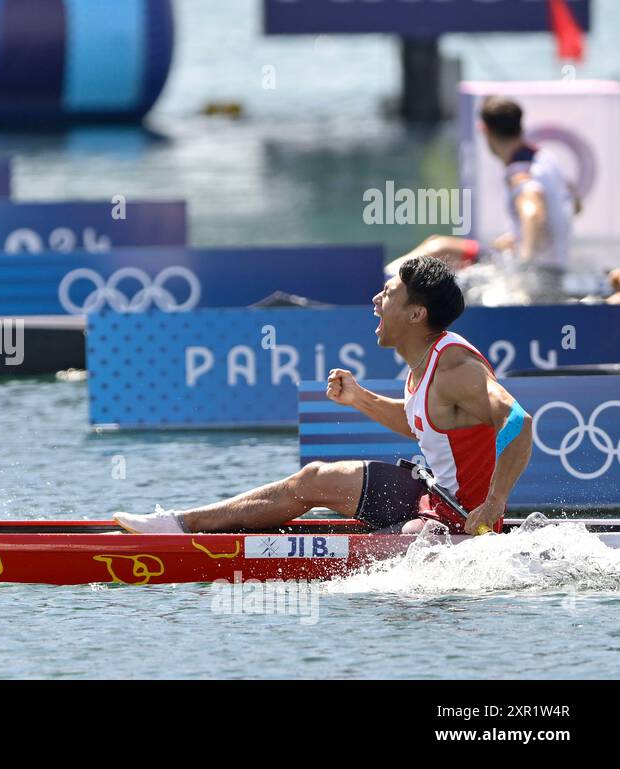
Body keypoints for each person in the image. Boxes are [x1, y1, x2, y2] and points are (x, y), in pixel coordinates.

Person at [115, 256, 533, 536]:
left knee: (406, 552)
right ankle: (180, 523)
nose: (375, 301)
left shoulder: (454, 367)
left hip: (462, 520)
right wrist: (361, 399)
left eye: (387, 294)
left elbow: (518, 421)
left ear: (416, 314)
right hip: (433, 493)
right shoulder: (426, 361)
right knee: (313, 478)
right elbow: (425, 425)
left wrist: (495, 503)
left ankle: (183, 531)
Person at [387, 96, 578, 300]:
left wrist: (525, 267)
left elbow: (534, 212)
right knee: (441, 247)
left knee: (438, 248)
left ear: (484, 129)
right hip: (555, 267)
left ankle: (381, 281)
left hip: (540, 276)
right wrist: (518, 237)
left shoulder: (519, 172)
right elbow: (574, 204)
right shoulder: (547, 159)